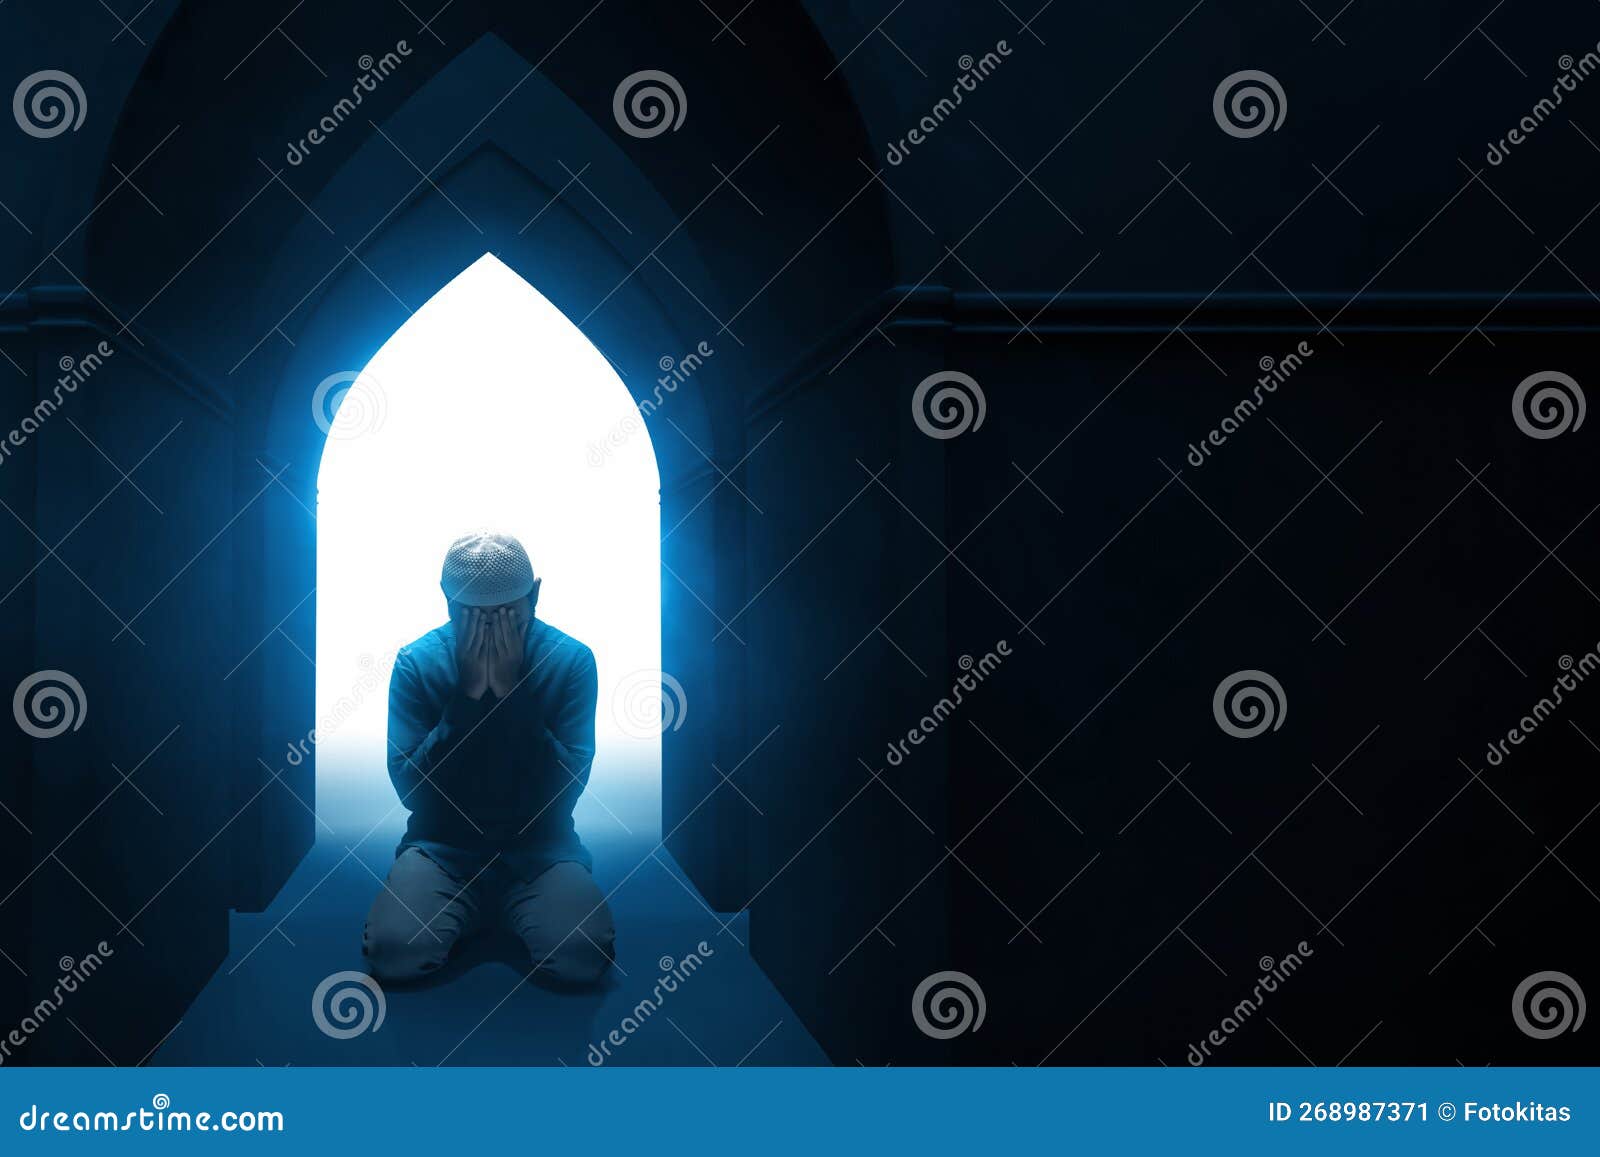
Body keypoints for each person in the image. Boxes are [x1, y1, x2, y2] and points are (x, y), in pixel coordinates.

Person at [362, 531, 615, 987]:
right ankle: (470, 911)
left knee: (581, 956)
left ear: (535, 596)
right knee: (395, 953)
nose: (489, 633)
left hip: (542, 849)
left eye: (505, 616)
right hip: (443, 849)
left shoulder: (571, 662)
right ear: (447, 603)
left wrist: (514, 698)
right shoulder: (417, 664)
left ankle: (502, 913)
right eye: (472, 618)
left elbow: (565, 793)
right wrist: (465, 701)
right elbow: (411, 792)